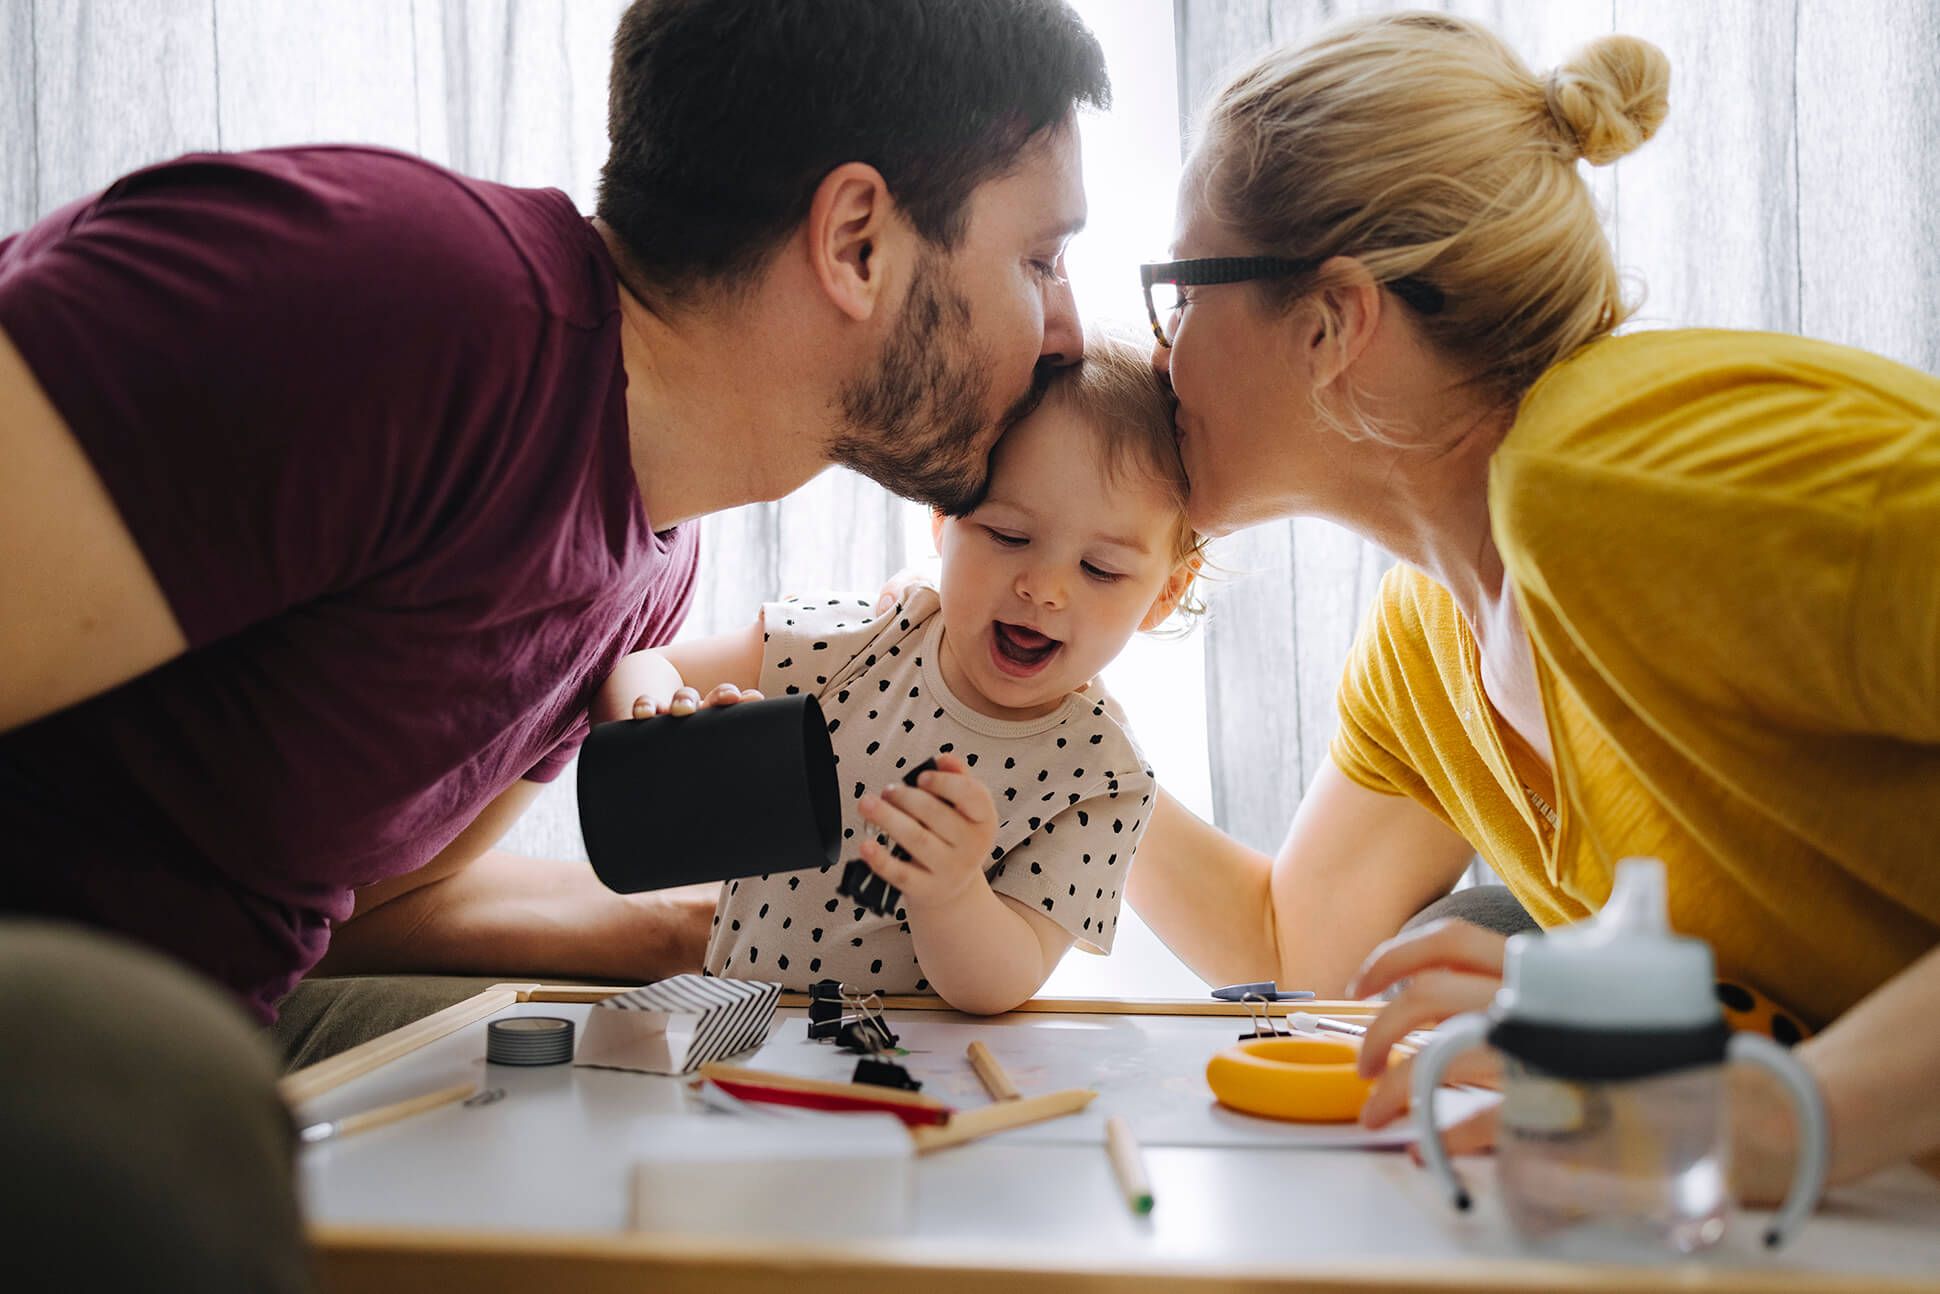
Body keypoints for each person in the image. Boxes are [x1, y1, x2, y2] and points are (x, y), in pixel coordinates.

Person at [0, 1, 1107, 1283]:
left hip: (215, 1026)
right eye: (1039, 259)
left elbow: (382, 905)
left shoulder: (650, 558)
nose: (1066, 331)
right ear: (856, 239)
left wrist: (703, 936)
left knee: (678, 1089)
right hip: (101, 1059)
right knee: (143, 1080)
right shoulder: (404, 300)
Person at [1124, 11, 1940, 1198]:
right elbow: (1292, 949)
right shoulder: (1426, 645)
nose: (1159, 356)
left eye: (1181, 292)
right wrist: (1028, 717)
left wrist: (1765, 1123)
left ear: (1330, 321)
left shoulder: (1619, 474)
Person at [599, 334, 1200, 1014]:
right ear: (944, 520)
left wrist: (951, 893)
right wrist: (654, 724)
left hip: (913, 1075)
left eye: (1100, 570)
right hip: (741, 1029)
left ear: (1162, 594)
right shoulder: (861, 640)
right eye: (1007, 535)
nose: (1045, 589)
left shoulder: (1103, 779)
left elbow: (1005, 981)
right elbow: (645, 663)